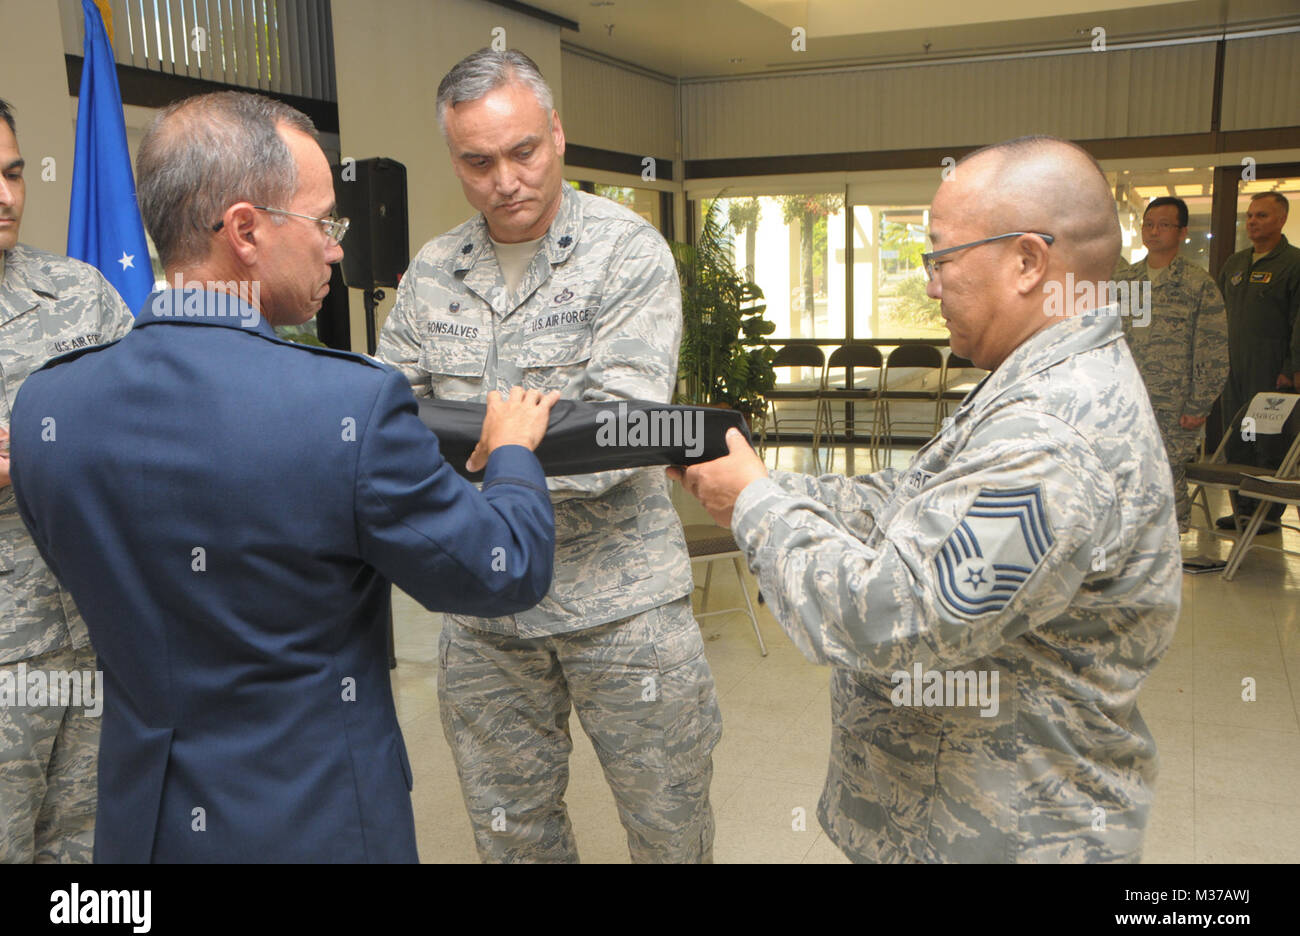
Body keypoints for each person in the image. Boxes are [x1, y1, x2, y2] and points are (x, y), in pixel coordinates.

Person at [9, 91, 559, 863]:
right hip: (317, 824)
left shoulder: (47, 406)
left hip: (143, 829)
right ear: (244, 230)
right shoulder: (349, 405)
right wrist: (511, 452)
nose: (337, 247)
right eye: (322, 221)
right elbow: (505, 568)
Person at [671, 136, 1180, 863]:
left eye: (941, 257)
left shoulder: (1051, 440)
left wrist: (754, 506)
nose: (931, 283)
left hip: (1005, 834)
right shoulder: (1039, 378)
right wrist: (760, 484)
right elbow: (914, 502)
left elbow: (893, 617)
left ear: (1029, 262)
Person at [377, 49, 721, 863]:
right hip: (485, 605)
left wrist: (480, 448)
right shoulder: (432, 273)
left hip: (622, 604)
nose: (506, 179)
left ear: (558, 134)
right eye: (478, 161)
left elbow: (622, 427)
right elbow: (388, 424)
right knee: (512, 835)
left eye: (523, 150)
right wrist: (520, 440)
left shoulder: (626, 252)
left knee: (669, 830)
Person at [0, 97, 133, 863]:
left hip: (95, 638)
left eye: (15, 173)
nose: (8, 196)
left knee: (93, 855)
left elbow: (155, 421)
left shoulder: (79, 293)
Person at [1113, 197, 1228, 532]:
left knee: (1165, 474)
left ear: (1182, 232)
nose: (1154, 231)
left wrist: (1199, 403)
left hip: (1173, 405)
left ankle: (1168, 554)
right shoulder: (1125, 280)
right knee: (1125, 475)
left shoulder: (1197, 285)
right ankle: (1129, 552)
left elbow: (1213, 350)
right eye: (1149, 224)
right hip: (1126, 403)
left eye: (1164, 224)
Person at [1215, 191, 1300, 530]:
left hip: (1271, 368)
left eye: (1262, 216)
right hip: (1233, 366)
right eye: (1250, 216)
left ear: (1281, 220)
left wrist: (1292, 367)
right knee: (1238, 437)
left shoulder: (1293, 263)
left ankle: (1267, 513)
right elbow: (1218, 314)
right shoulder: (1235, 263)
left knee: (1268, 439)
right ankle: (1241, 509)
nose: (1252, 222)